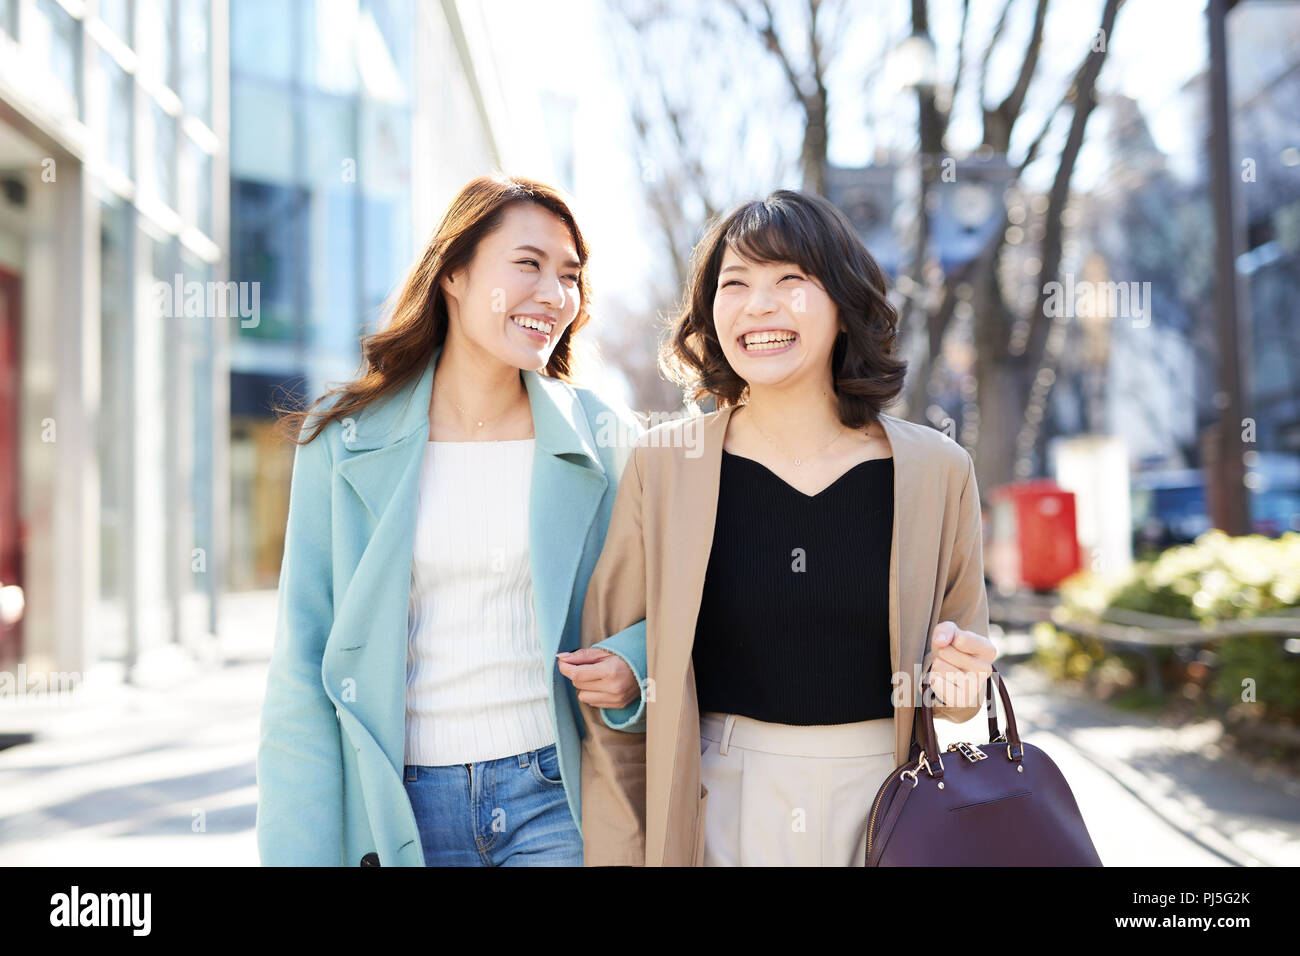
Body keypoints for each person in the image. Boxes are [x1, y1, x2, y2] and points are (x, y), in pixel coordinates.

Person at [577, 189, 998, 866]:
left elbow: (955, 694)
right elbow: (622, 664)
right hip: (718, 800)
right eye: (734, 284)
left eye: (789, 281)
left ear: (842, 304)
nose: (758, 304)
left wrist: (957, 682)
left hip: (889, 804)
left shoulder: (937, 470)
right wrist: (627, 672)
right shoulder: (666, 464)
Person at [257, 174, 642, 867]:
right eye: (528, 264)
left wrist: (633, 666)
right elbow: (301, 673)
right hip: (395, 806)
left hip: (555, 799)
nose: (554, 295)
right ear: (455, 273)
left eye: (570, 275)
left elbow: (665, 604)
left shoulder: (603, 438)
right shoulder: (342, 443)